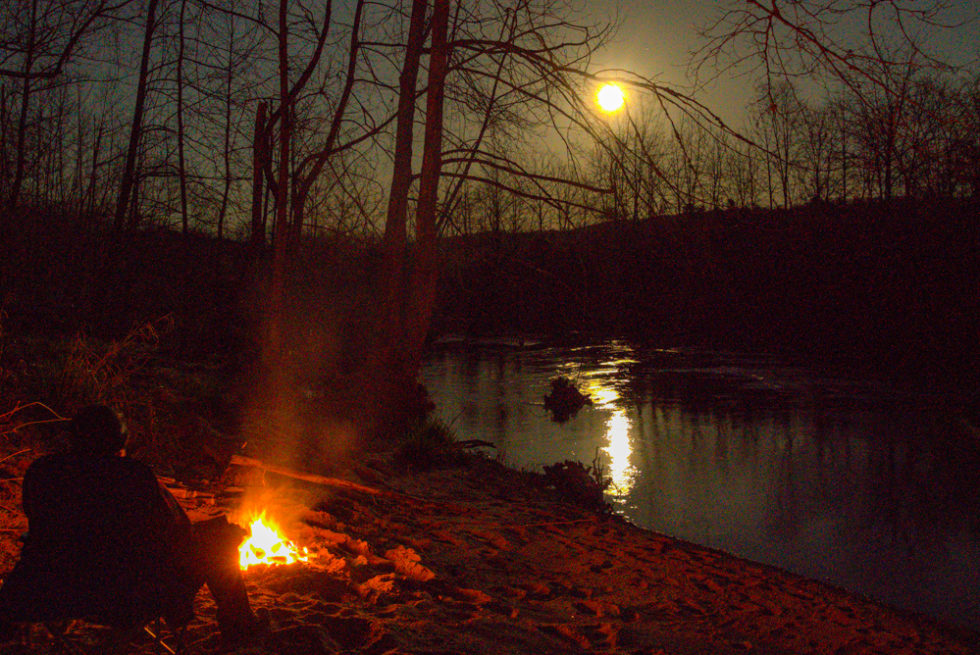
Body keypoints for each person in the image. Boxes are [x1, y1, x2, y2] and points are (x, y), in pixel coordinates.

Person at [0, 404, 264, 647]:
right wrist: (224, 532)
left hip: (46, 590)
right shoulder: (133, 476)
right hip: (124, 597)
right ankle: (240, 630)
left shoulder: (43, 471)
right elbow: (175, 533)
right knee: (219, 539)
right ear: (121, 440)